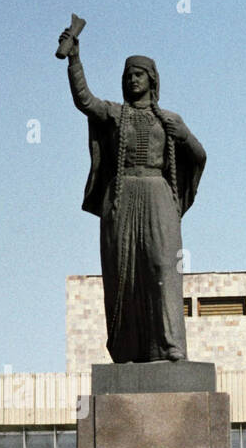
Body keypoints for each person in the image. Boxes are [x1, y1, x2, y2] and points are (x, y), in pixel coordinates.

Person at [58, 25, 206, 363]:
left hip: (157, 195)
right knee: (124, 271)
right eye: (128, 76)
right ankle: (127, 348)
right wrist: (74, 60)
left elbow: (200, 156)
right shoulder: (114, 113)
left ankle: (169, 344)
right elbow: (85, 101)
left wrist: (183, 135)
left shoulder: (170, 119)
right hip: (122, 196)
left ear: (152, 80)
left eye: (139, 75)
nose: (132, 80)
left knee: (162, 267)